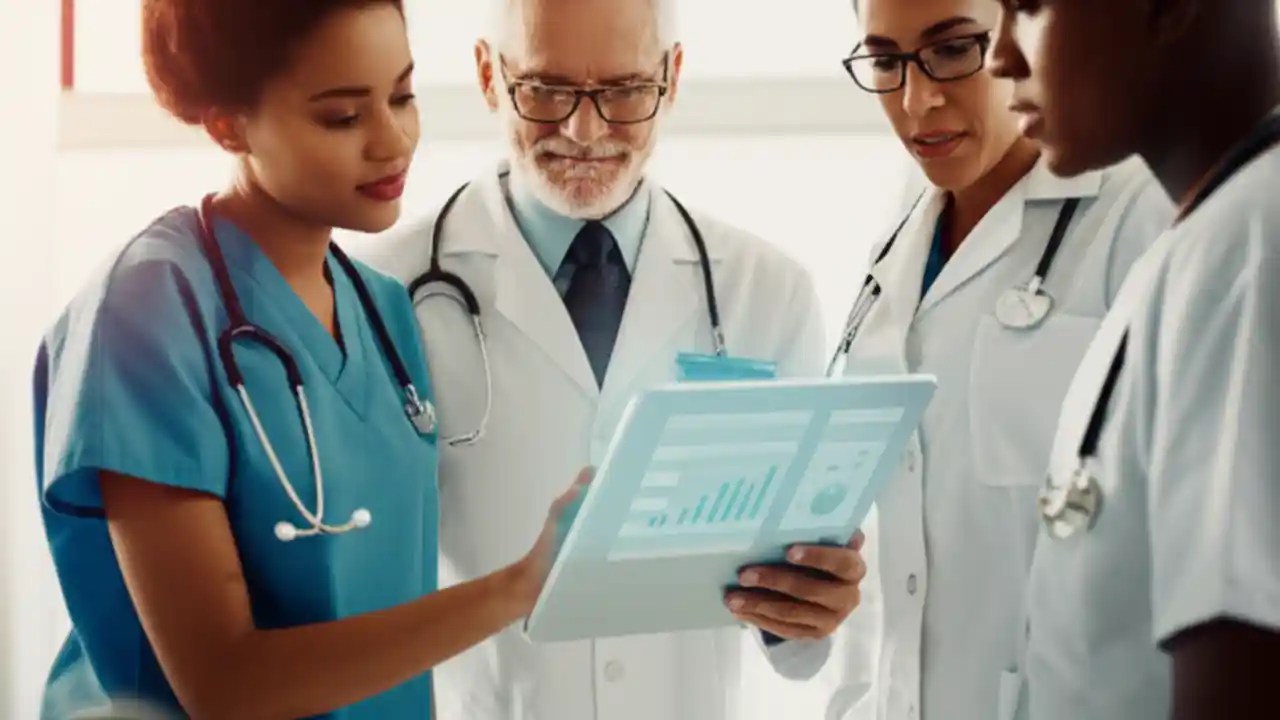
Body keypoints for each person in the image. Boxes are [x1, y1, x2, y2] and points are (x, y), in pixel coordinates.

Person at [33, 2, 582, 718]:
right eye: (343, 117)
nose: (395, 142)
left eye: (403, 95)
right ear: (228, 121)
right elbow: (224, 685)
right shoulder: (149, 309)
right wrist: (516, 589)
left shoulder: (384, 311)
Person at [358, 0, 869, 717]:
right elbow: (354, 596)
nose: (584, 130)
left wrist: (809, 606)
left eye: (625, 91)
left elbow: (797, 635)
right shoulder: (382, 289)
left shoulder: (766, 291)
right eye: (546, 89)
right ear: (486, 75)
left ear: (673, 77)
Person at [821, 1, 1174, 719]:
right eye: (886, 61)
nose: (915, 100)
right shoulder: (897, 236)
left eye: (952, 49)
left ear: (1024, 27)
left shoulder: (1143, 214)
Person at [988, 1, 1280, 718]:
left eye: (1026, 6)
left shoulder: (1250, 244)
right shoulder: (1207, 239)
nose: (1001, 55)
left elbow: (1242, 666)